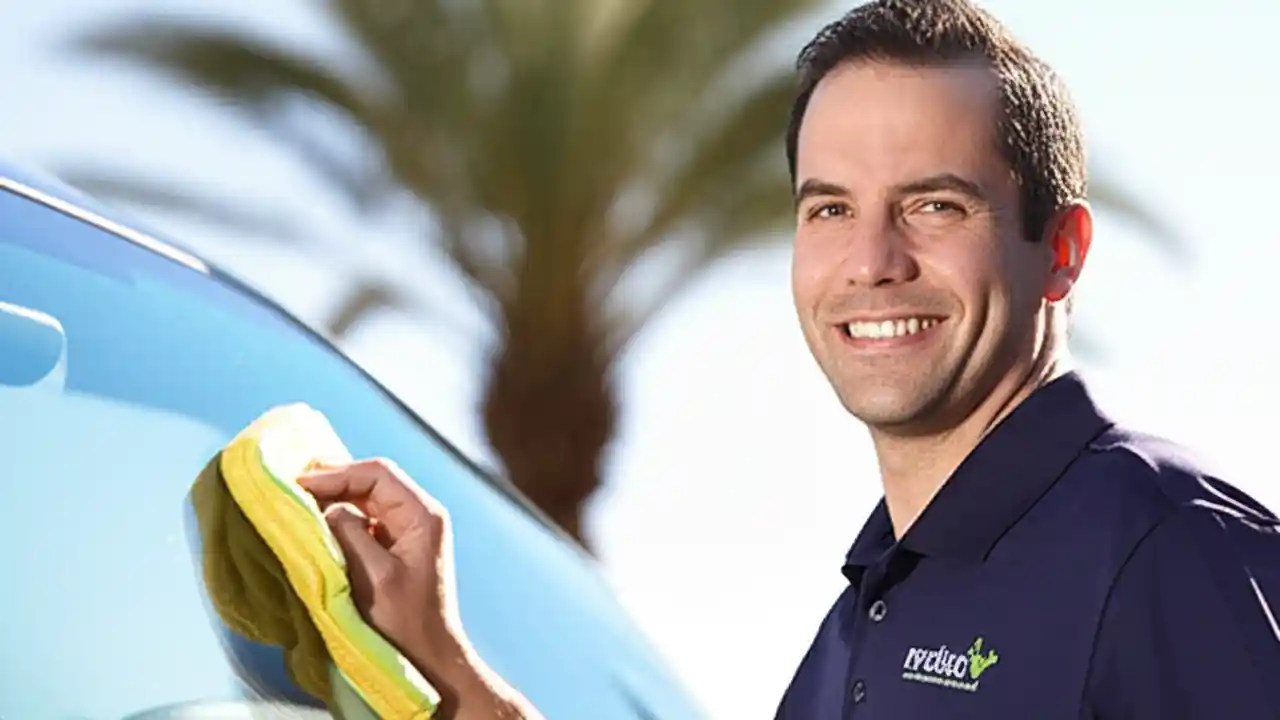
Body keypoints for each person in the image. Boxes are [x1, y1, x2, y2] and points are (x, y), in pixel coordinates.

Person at [297, 0, 1280, 717]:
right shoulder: (869, 608)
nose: (871, 262)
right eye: (829, 209)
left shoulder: (1168, 553)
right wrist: (438, 655)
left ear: (1057, 252)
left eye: (934, 205)